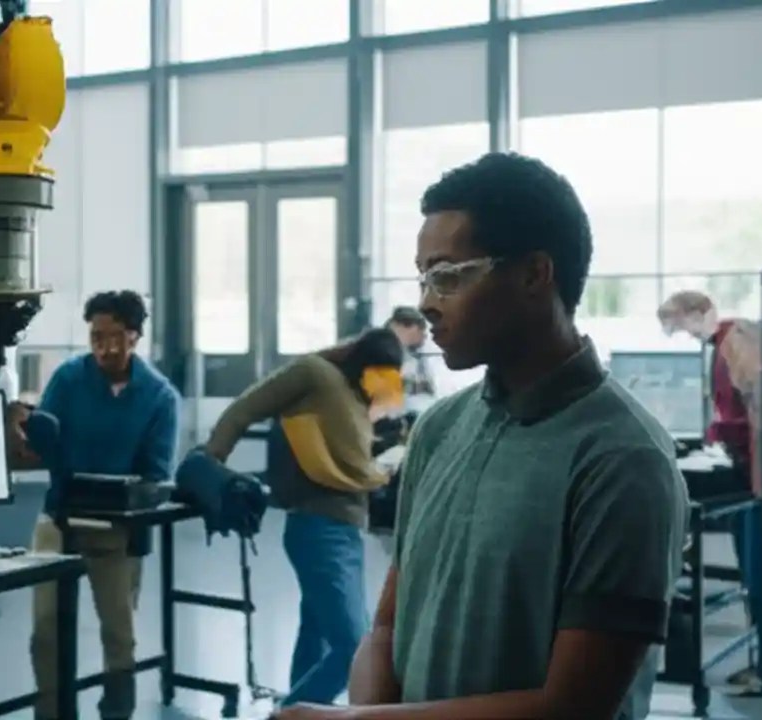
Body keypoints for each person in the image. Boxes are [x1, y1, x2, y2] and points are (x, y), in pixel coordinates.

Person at [276, 153, 689, 720]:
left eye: (447, 276)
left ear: (533, 274)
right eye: (423, 277)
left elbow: (572, 706)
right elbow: (388, 627)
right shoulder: (440, 429)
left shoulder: (622, 458)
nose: (426, 302)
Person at [205, 328, 405, 708]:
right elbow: (245, 407)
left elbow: (345, 455)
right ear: (365, 364)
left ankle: (303, 709)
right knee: (353, 648)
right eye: (384, 373)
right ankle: (288, 717)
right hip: (320, 529)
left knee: (317, 637)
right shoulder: (314, 373)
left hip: (345, 531)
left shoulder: (352, 397)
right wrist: (209, 464)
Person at [18, 289, 180, 720]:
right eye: (95, 337)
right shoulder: (70, 379)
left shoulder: (159, 397)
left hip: (116, 532)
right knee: (46, 631)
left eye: (114, 337)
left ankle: (117, 711)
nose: (105, 348)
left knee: (119, 635)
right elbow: (45, 440)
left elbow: (156, 472)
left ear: (135, 336)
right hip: (59, 518)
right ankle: (51, 712)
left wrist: (123, 498)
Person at [658, 290, 762, 695]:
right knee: (752, 574)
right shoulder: (722, 346)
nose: (683, 335)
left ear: (700, 312)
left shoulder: (736, 341)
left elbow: (753, 410)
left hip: (754, 479)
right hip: (746, 470)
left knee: (760, 577)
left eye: (681, 324)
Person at [384, 306, 435, 411]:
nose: (424, 336)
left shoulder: (416, 355)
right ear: (400, 327)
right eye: (420, 329)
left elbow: (429, 387)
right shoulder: (379, 348)